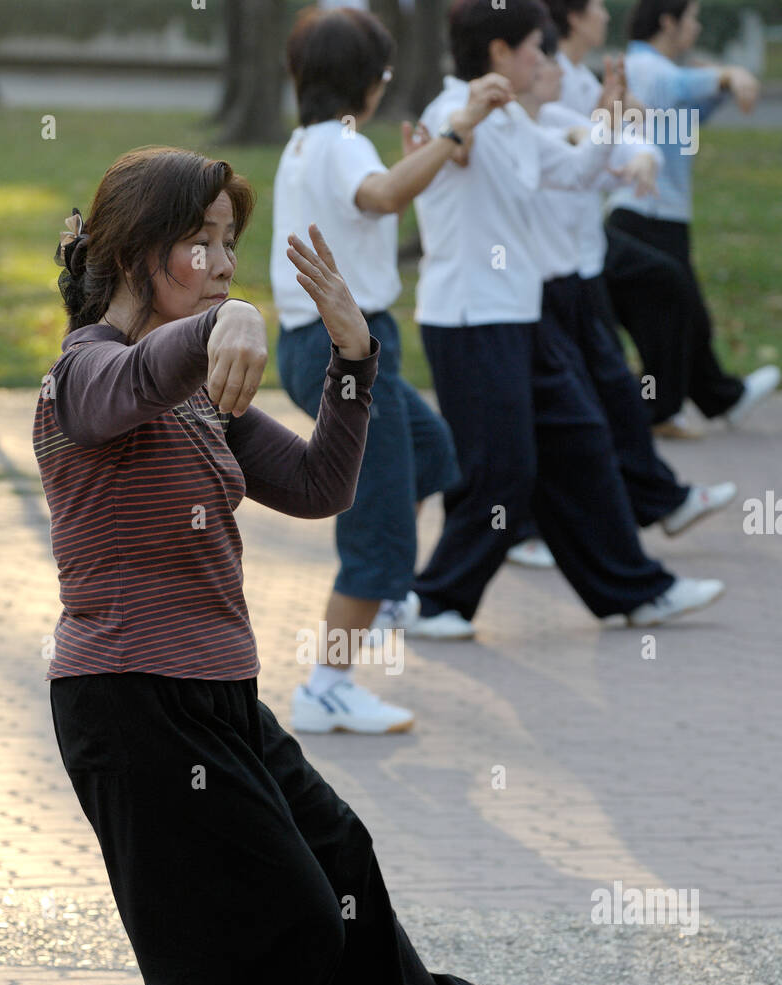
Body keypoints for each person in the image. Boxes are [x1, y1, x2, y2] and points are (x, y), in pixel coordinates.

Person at [35, 145, 572, 985]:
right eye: (203, 244)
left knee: (339, 857)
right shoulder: (82, 378)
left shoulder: (202, 400)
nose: (224, 263)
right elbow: (130, 378)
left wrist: (353, 358)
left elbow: (322, 481)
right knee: (284, 925)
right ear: (143, 253)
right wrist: (220, 327)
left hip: (215, 699)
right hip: (130, 703)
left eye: (232, 244)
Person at [390, 0, 724, 643]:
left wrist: (604, 124)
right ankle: (435, 601)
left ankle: (635, 590)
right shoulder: (449, 113)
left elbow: (570, 173)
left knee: (581, 439)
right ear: (498, 53)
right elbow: (446, 155)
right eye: (534, 50)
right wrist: (466, 123)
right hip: (470, 318)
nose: (544, 61)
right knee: (502, 469)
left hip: (520, 313)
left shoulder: (513, 119)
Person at [272, 5, 510, 734]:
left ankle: (384, 597)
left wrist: (427, 154)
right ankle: (327, 684)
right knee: (375, 530)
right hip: (344, 350)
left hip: (332, 345)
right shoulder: (344, 144)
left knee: (432, 453)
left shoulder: (309, 142)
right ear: (371, 84)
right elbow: (382, 195)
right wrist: (455, 128)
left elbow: (376, 197)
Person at [532, 24, 737, 538]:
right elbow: (579, 145)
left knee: (607, 395)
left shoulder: (562, 95)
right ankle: (529, 530)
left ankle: (655, 504)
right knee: (576, 405)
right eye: (597, 7)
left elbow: (605, 141)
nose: (605, 14)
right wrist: (611, 129)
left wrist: (634, 144)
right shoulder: (525, 109)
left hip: (579, 265)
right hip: (546, 280)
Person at [606, 0, 780, 432]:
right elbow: (682, 85)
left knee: (684, 311)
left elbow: (681, 120)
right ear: (668, 22)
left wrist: (717, 88)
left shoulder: (658, 75)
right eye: (692, 19)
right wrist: (728, 74)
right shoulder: (647, 68)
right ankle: (657, 409)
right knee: (670, 310)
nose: (697, 28)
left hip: (660, 210)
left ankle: (718, 397)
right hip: (645, 211)